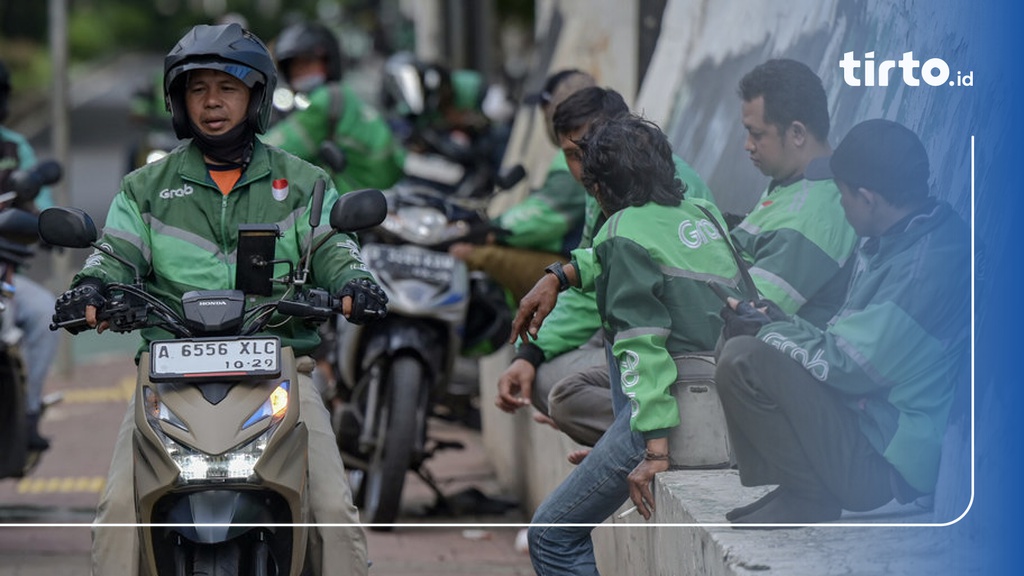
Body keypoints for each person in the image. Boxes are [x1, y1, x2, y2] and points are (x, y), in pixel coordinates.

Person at [50, 23, 382, 574]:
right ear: (179, 101)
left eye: (227, 87)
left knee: (332, 513)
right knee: (114, 515)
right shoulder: (145, 188)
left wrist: (353, 282)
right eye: (197, 88)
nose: (211, 102)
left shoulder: (303, 182)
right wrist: (92, 288)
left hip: (279, 369)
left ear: (256, 96)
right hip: (167, 376)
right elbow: (115, 253)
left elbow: (333, 246)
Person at [511, 114, 742, 574]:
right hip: (724, 402)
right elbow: (623, 255)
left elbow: (642, 349)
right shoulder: (703, 215)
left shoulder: (621, 235)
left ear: (599, 190)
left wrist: (653, 454)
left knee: (552, 537)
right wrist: (561, 274)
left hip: (664, 420)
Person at [715, 119, 969, 527]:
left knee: (744, 357)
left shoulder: (925, 269)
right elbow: (843, 345)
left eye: (841, 193)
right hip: (861, 424)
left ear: (867, 199)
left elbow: (849, 367)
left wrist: (770, 332)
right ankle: (800, 487)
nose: (839, 203)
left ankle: (810, 495)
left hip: (882, 467)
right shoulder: (902, 238)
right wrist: (776, 321)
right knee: (743, 334)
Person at [495, 86, 715, 450]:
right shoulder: (601, 189)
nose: (582, 166)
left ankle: (646, 444)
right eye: (570, 154)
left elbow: (646, 330)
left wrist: (654, 446)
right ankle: (630, 441)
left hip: (681, 360)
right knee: (542, 380)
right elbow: (590, 286)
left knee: (567, 404)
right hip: (646, 365)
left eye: (590, 148)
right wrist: (530, 354)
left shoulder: (669, 190)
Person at [448, 69, 596, 302]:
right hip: (580, 260)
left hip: (578, 266)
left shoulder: (575, 153)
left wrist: (490, 230)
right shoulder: (579, 148)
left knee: (470, 255)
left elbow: (544, 217)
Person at [731, 58, 858, 328]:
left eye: (756, 134)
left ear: (797, 133)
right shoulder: (790, 182)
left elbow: (747, 314)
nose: (748, 146)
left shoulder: (814, 215)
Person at [263, 21, 404, 194]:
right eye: (295, 66)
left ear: (329, 62)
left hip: (356, 202)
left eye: (308, 63)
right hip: (384, 194)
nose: (301, 72)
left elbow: (273, 150)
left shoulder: (326, 100)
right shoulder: (344, 94)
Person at [0, 58, 59, 452]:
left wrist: (44, 222)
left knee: (43, 312)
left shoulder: (13, 147)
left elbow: (42, 202)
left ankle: (30, 412)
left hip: (5, 277)